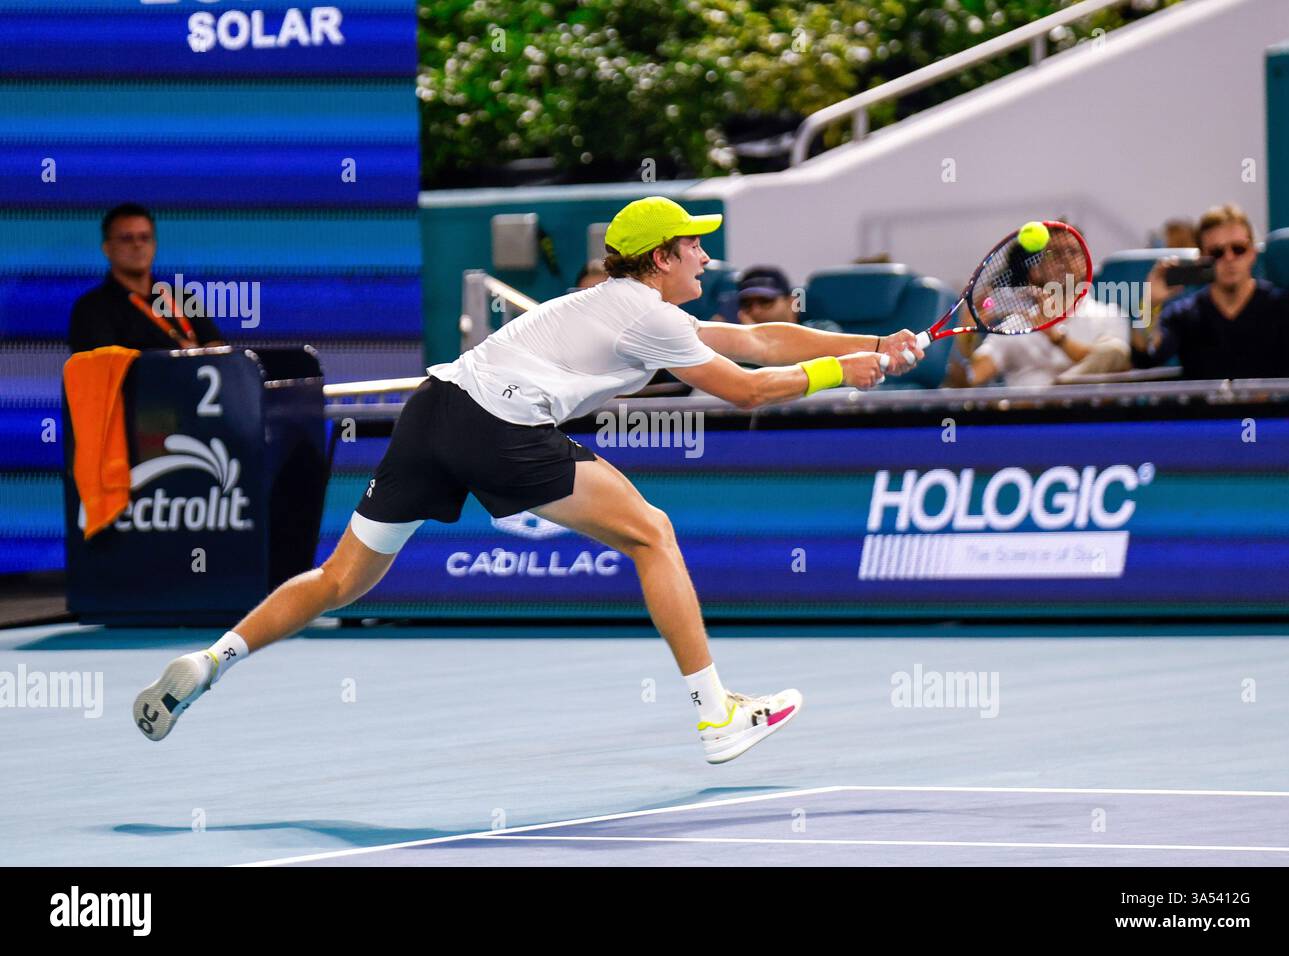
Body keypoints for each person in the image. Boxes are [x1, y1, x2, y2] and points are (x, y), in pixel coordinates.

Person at [133, 196, 924, 765]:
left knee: (342, 578)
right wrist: (840, 372)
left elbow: (755, 339)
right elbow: (747, 387)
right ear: (661, 259)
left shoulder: (621, 303)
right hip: (499, 425)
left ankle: (214, 659)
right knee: (653, 533)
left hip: (432, 411)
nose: (707, 257)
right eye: (694, 246)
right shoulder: (650, 315)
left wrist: (871, 341)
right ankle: (716, 717)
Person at [1132, 203, 1289, 380]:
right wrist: (1150, 304)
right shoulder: (1185, 315)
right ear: (1202, 259)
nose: (1229, 258)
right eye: (1217, 252)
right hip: (1205, 407)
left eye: (1238, 249)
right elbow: (1145, 357)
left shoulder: (1286, 308)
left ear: (1253, 252)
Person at [949, 227, 1129, 387]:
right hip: (1026, 421)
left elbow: (1117, 364)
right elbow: (972, 377)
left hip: (1085, 418)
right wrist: (966, 338)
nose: (1064, 259)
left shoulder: (1110, 314)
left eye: (1072, 252)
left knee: (1114, 350)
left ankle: (1052, 394)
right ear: (1036, 269)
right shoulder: (1015, 325)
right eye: (1054, 253)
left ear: (1086, 263)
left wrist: (1055, 336)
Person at [68, 204, 224, 353]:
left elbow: (217, 347)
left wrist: (211, 353)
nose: (137, 244)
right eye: (127, 238)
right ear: (107, 248)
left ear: (154, 245)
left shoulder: (182, 297)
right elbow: (103, 368)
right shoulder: (92, 308)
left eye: (144, 237)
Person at [730, 265, 843, 333]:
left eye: (765, 301)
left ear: (791, 302)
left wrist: (758, 338)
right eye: (746, 304)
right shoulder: (738, 344)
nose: (755, 311)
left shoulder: (822, 330)